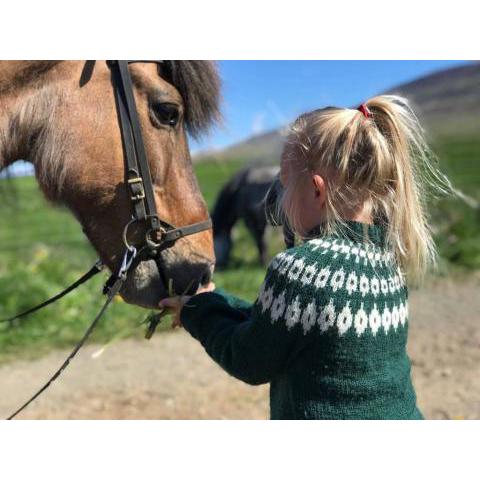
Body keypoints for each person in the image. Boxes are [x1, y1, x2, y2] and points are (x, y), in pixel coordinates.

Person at [160, 95, 453, 419]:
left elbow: (249, 359)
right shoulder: (388, 263)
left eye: (285, 187)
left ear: (316, 190)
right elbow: (288, 324)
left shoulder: (300, 270)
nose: (281, 201)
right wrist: (214, 301)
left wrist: (197, 313)